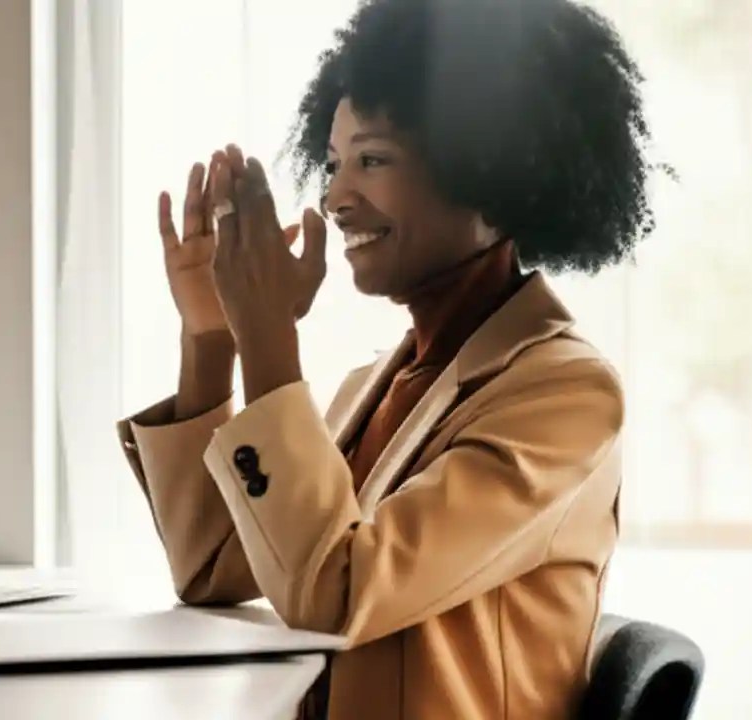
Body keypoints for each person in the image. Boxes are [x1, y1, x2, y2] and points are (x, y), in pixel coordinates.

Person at [115, 0, 660, 718]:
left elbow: (338, 594)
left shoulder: (566, 398)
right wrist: (211, 334)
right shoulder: (372, 388)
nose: (336, 197)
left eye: (373, 160)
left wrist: (268, 334)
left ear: (492, 175)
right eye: (336, 164)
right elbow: (209, 567)